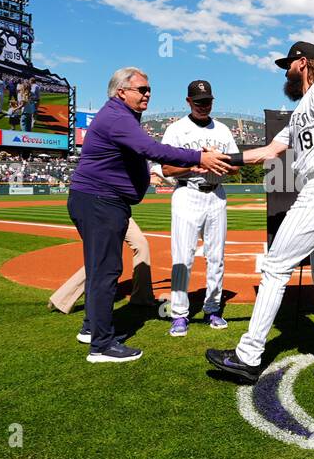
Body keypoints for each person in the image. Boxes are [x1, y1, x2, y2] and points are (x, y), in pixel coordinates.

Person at [206, 40, 314, 385]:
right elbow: (267, 152)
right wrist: (224, 158)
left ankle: (248, 357)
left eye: (289, 65)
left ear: (304, 64)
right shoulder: (298, 112)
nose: (285, 72)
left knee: (276, 266)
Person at [67, 67, 231, 364]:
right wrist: (198, 157)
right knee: (106, 272)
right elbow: (150, 149)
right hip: (100, 201)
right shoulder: (117, 116)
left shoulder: (121, 115)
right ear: (121, 92)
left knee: (99, 269)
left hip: (98, 199)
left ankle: (91, 329)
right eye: (141, 89)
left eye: (148, 89)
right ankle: (101, 346)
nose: (148, 93)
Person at [161, 80, 239, 336]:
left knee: (216, 257)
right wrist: (194, 164)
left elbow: (236, 166)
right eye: (198, 102)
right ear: (188, 102)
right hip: (187, 193)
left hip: (216, 195)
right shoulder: (176, 130)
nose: (203, 106)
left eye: (207, 101)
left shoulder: (223, 130)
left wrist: (219, 160)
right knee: (182, 257)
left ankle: (213, 308)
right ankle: (180, 314)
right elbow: (167, 169)